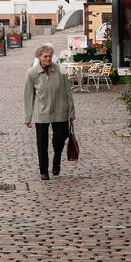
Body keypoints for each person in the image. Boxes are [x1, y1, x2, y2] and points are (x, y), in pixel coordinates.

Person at [24, 43, 76, 180]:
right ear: (39, 57)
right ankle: (44, 171)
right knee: (42, 143)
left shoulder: (60, 70)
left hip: (60, 111)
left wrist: (71, 112)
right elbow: (29, 96)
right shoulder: (32, 73)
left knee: (59, 140)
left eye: (50, 56)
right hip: (42, 112)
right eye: (45, 56)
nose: (48, 59)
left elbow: (68, 93)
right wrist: (28, 117)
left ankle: (56, 160)